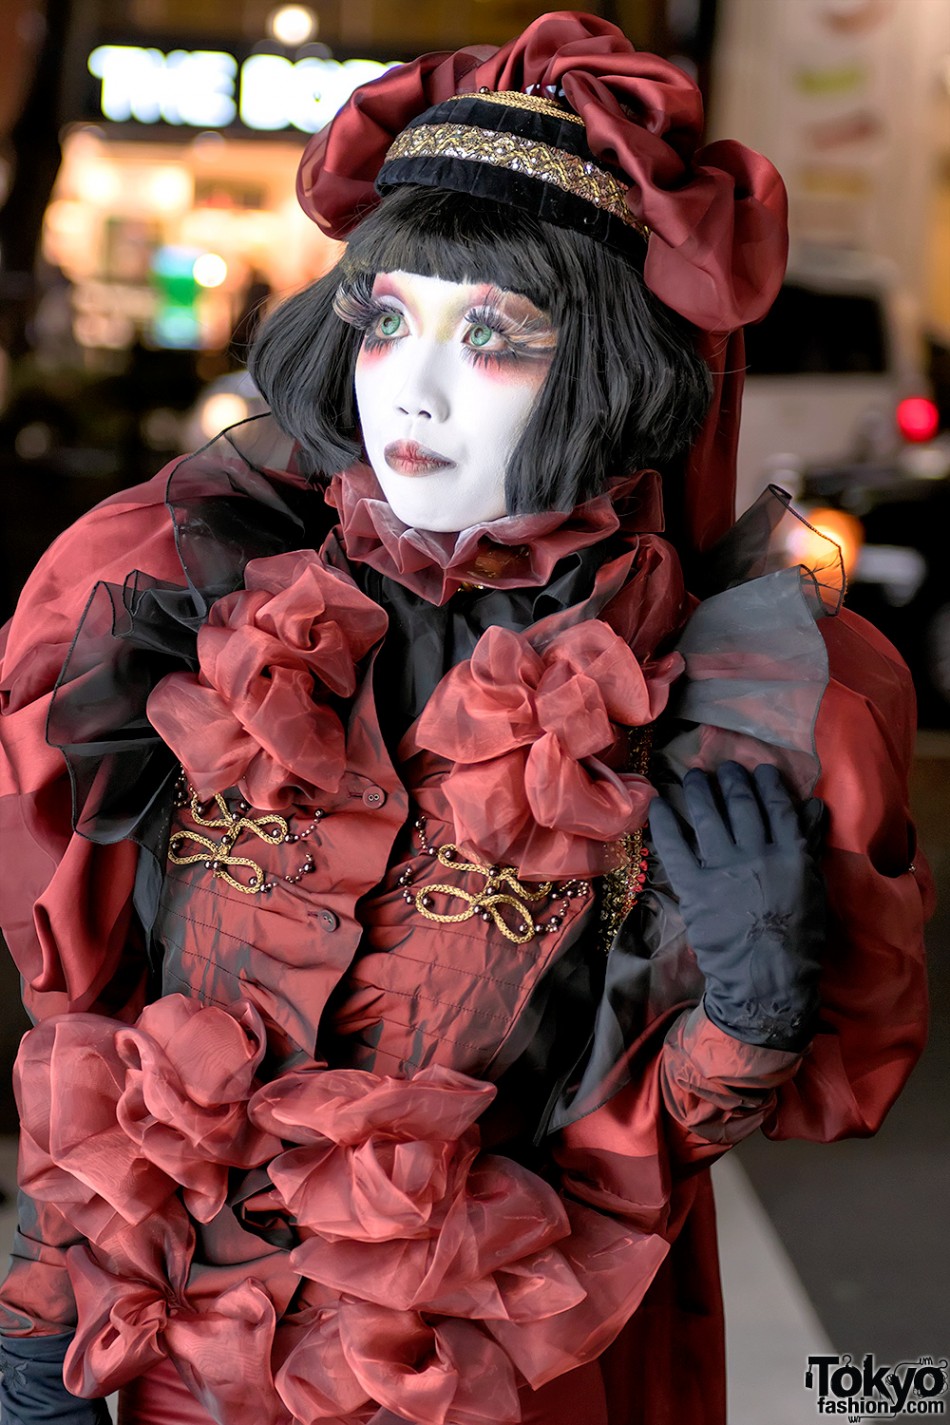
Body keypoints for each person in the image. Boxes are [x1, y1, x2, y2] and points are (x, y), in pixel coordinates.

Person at [0, 13, 931, 1425]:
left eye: (492, 334)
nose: (412, 388)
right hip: (179, 1371)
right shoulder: (189, 611)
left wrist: (748, 1006)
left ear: (603, 370)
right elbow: (100, 1021)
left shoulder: (711, 703)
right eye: (389, 318)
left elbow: (618, 1171)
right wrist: (43, 1317)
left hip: (475, 1376)